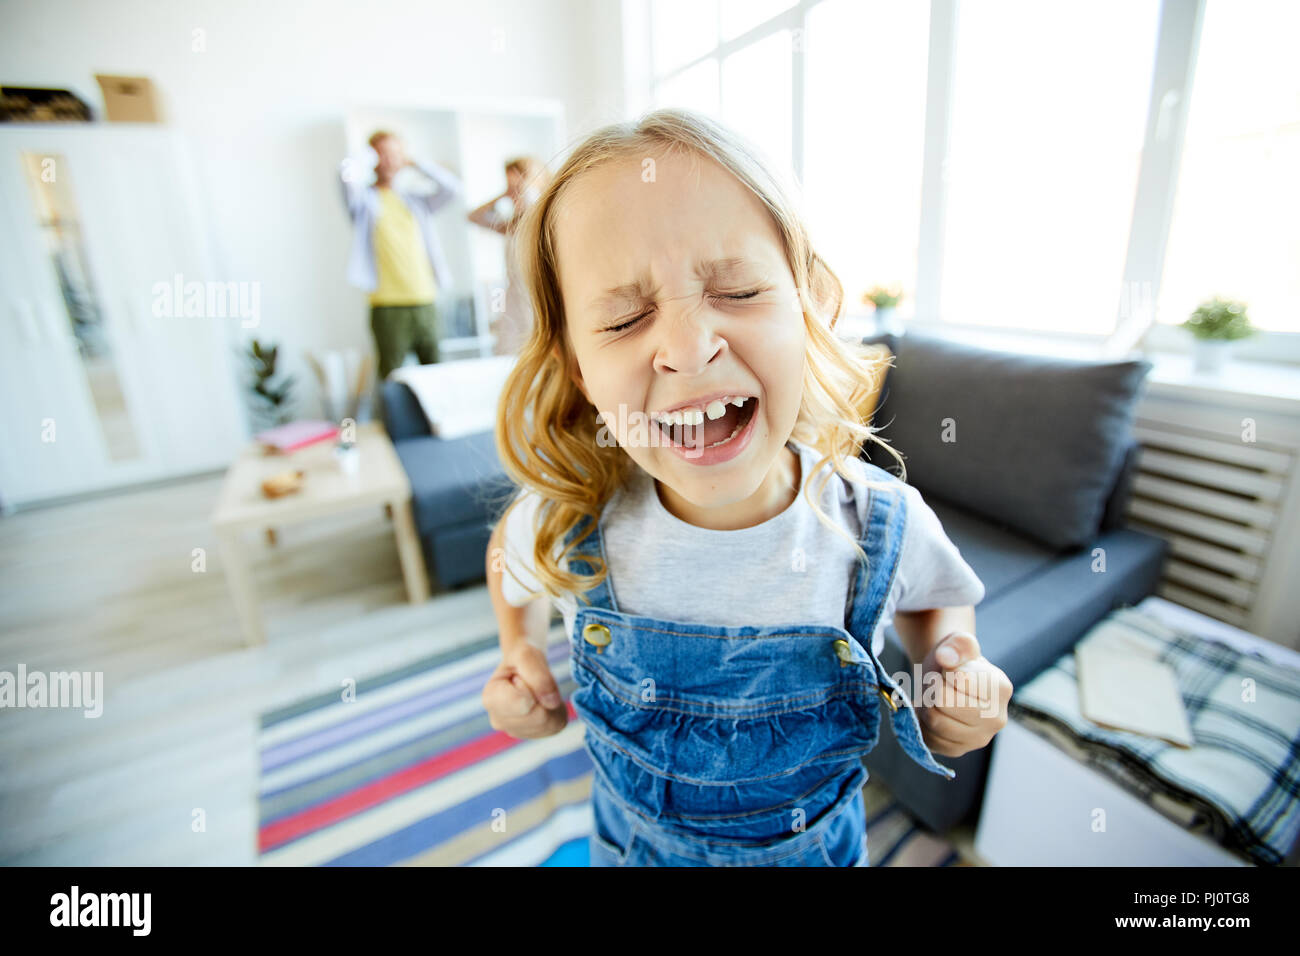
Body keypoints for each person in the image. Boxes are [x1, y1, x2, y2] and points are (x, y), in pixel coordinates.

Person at [481, 108, 1013, 867]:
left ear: (809, 305)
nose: (690, 350)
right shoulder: (571, 520)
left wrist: (951, 660)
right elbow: (510, 552)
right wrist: (517, 651)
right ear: (577, 371)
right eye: (625, 318)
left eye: (736, 290)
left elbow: (932, 595)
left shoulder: (876, 520)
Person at [338, 131, 463, 390]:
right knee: (392, 380)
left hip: (425, 300)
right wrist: (367, 156)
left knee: (437, 377)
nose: (389, 160)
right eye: (381, 153)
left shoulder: (416, 200)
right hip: (387, 304)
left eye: (394, 153)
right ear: (371, 157)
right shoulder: (364, 201)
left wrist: (415, 163)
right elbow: (345, 176)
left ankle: (436, 429)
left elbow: (453, 188)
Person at [466, 156, 552, 355]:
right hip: (514, 295)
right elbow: (472, 216)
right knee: (509, 348)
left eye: (518, 182)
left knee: (538, 347)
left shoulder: (540, 215)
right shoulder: (509, 224)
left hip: (535, 294)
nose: (514, 191)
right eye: (509, 184)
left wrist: (525, 191)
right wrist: (503, 195)